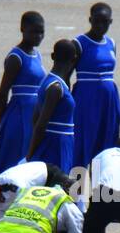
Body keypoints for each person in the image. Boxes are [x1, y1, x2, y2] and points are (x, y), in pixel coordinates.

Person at [0, 12, 47, 174]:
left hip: (34, 114)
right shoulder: (16, 57)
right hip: (20, 114)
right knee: (16, 156)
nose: (38, 36)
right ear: (22, 29)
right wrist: (2, 123)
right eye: (34, 31)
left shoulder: (37, 55)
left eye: (41, 32)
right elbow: (2, 94)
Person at [73, 2, 120, 168]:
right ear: (90, 20)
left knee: (107, 139)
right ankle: (77, 187)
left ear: (111, 22)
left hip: (108, 100)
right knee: (84, 139)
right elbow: (66, 75)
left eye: (105, 22)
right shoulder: (79, 43)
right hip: (86, 98)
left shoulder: (111, 43)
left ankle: (101, 188)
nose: (101, 25)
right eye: (97, 21)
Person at [27, 39, 80, 173]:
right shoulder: (56, 87)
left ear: (52, 56)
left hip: (53, 142)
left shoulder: (47, 81)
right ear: (74, 60)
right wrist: (30, 155)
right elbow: (40, 124)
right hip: (57, 145)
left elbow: (35, 118)